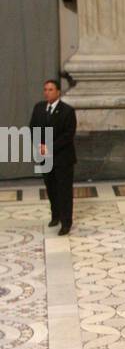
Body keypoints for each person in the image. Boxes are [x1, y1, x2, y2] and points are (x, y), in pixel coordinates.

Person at [29, 79, 77, 235]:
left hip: (62, 158)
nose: (47, 92)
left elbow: (68, 135)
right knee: (51, 189)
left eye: (50, 89)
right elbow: (32, 128)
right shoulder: (39, 108)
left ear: (58, 92)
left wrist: (49, 147)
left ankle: (66, 222)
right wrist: (39, 146)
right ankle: (55, 215)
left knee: (64, 191)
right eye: (45, 89)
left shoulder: (67, 111)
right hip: (45, 157)